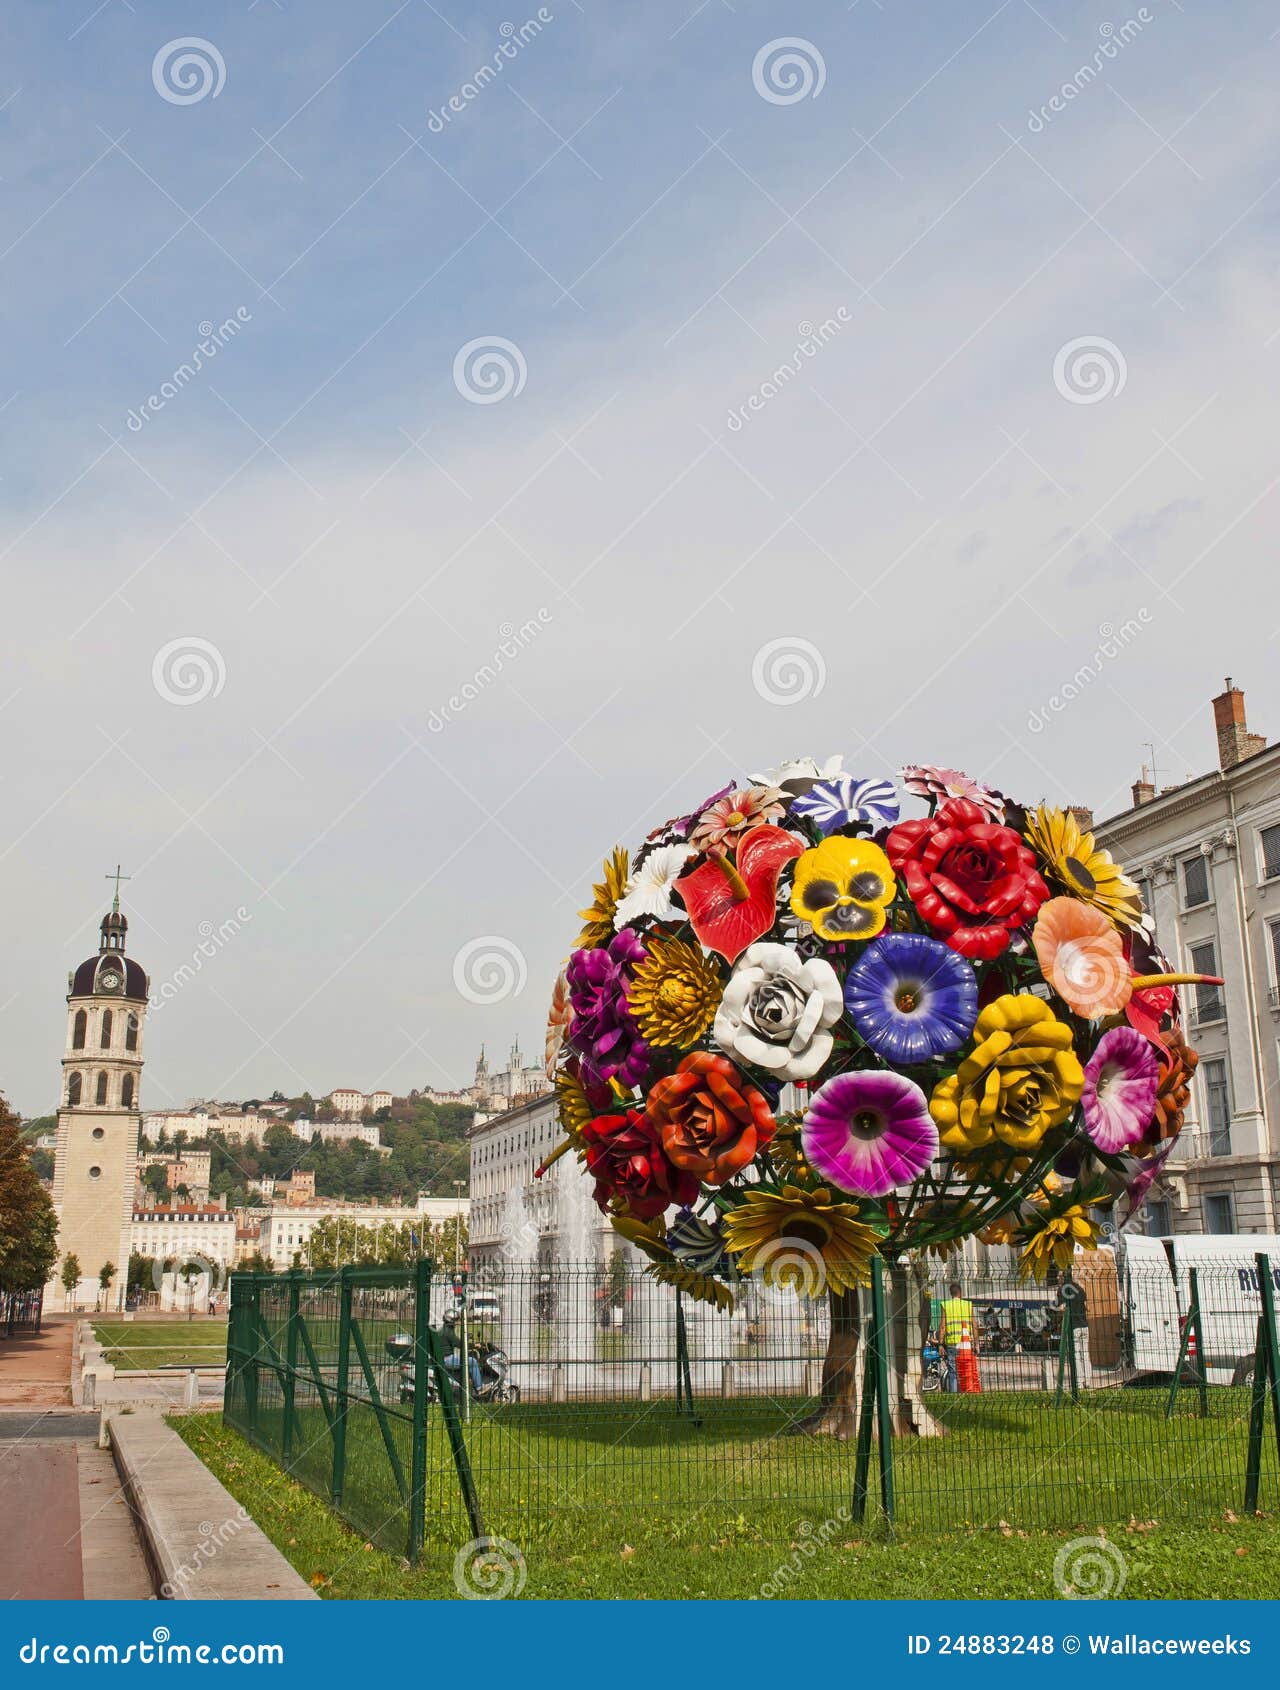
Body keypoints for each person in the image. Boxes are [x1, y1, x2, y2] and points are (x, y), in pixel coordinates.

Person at [939, 1279, 975, 1392]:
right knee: (966, 1370)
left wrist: (940, 1344)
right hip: (966, 1345)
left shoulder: (946, 1305)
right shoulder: (968, 1305)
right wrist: (976, 1343)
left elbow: (942, 1326)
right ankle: (967, 1392)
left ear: (951, 1293)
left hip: (952, 1343)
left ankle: (954, 1395)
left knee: (953, 1371)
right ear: (960, 1292)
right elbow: (975, 1325)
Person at [439, 1311, 483, 1394]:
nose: (457, 1323)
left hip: (444, 1358)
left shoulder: (444, 1329)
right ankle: (479, 1388)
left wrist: (466, 1339)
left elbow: (457, 1342)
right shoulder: (448, 1331)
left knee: (465, 1360)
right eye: (456, 1320)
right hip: (447, 1359)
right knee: (472, 1361)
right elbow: (460, 1344)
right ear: (451, 1320)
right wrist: (474, 1345)